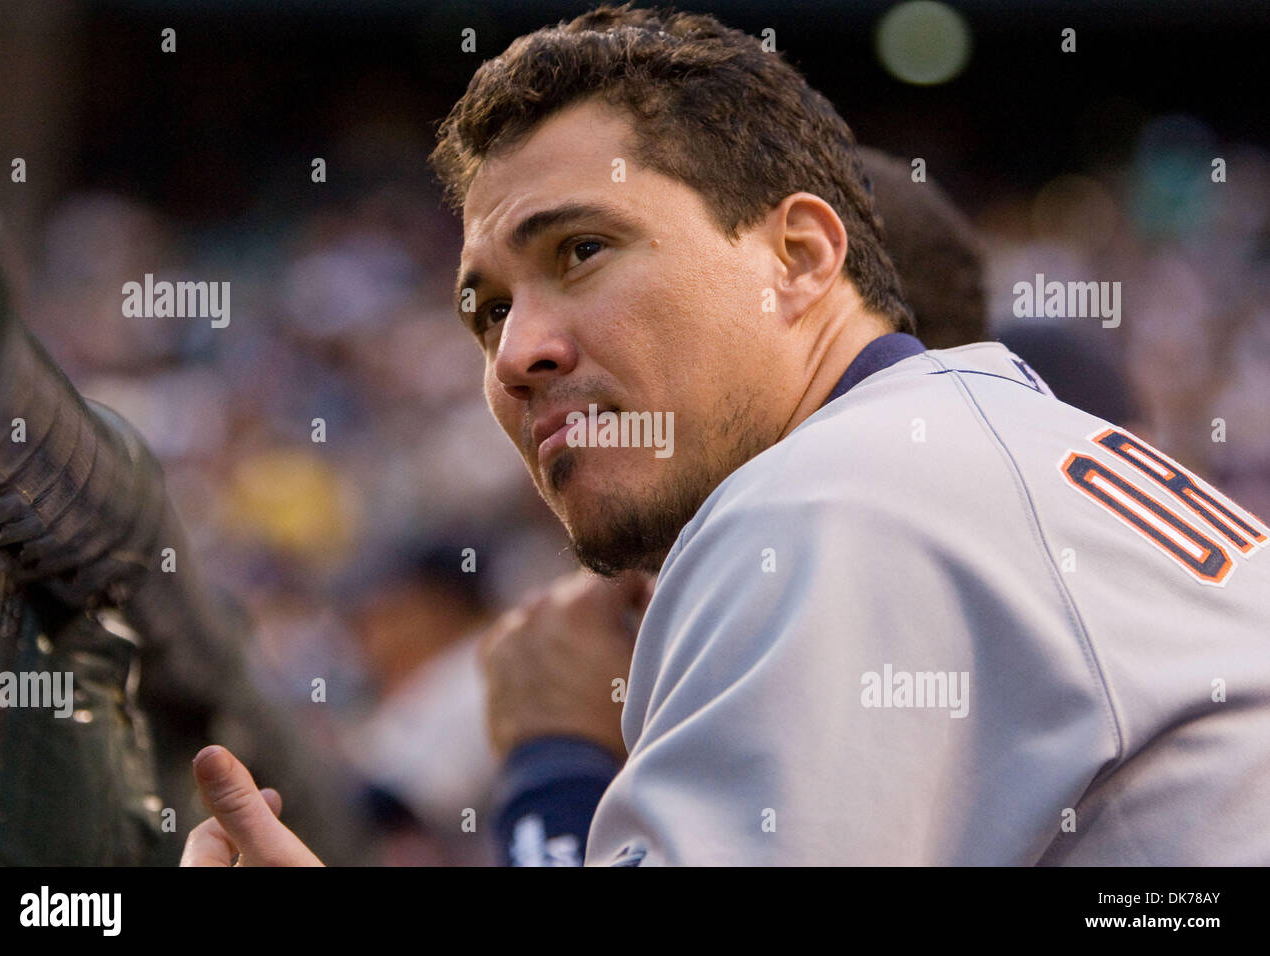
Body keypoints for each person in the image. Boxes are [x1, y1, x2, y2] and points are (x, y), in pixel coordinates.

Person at [181, 4, 1270, 866]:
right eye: (486, 309)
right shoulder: (967, 446)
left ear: (798, 256)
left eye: (583, 250)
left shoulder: (842, 494)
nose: (515, 353)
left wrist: (557, 762)